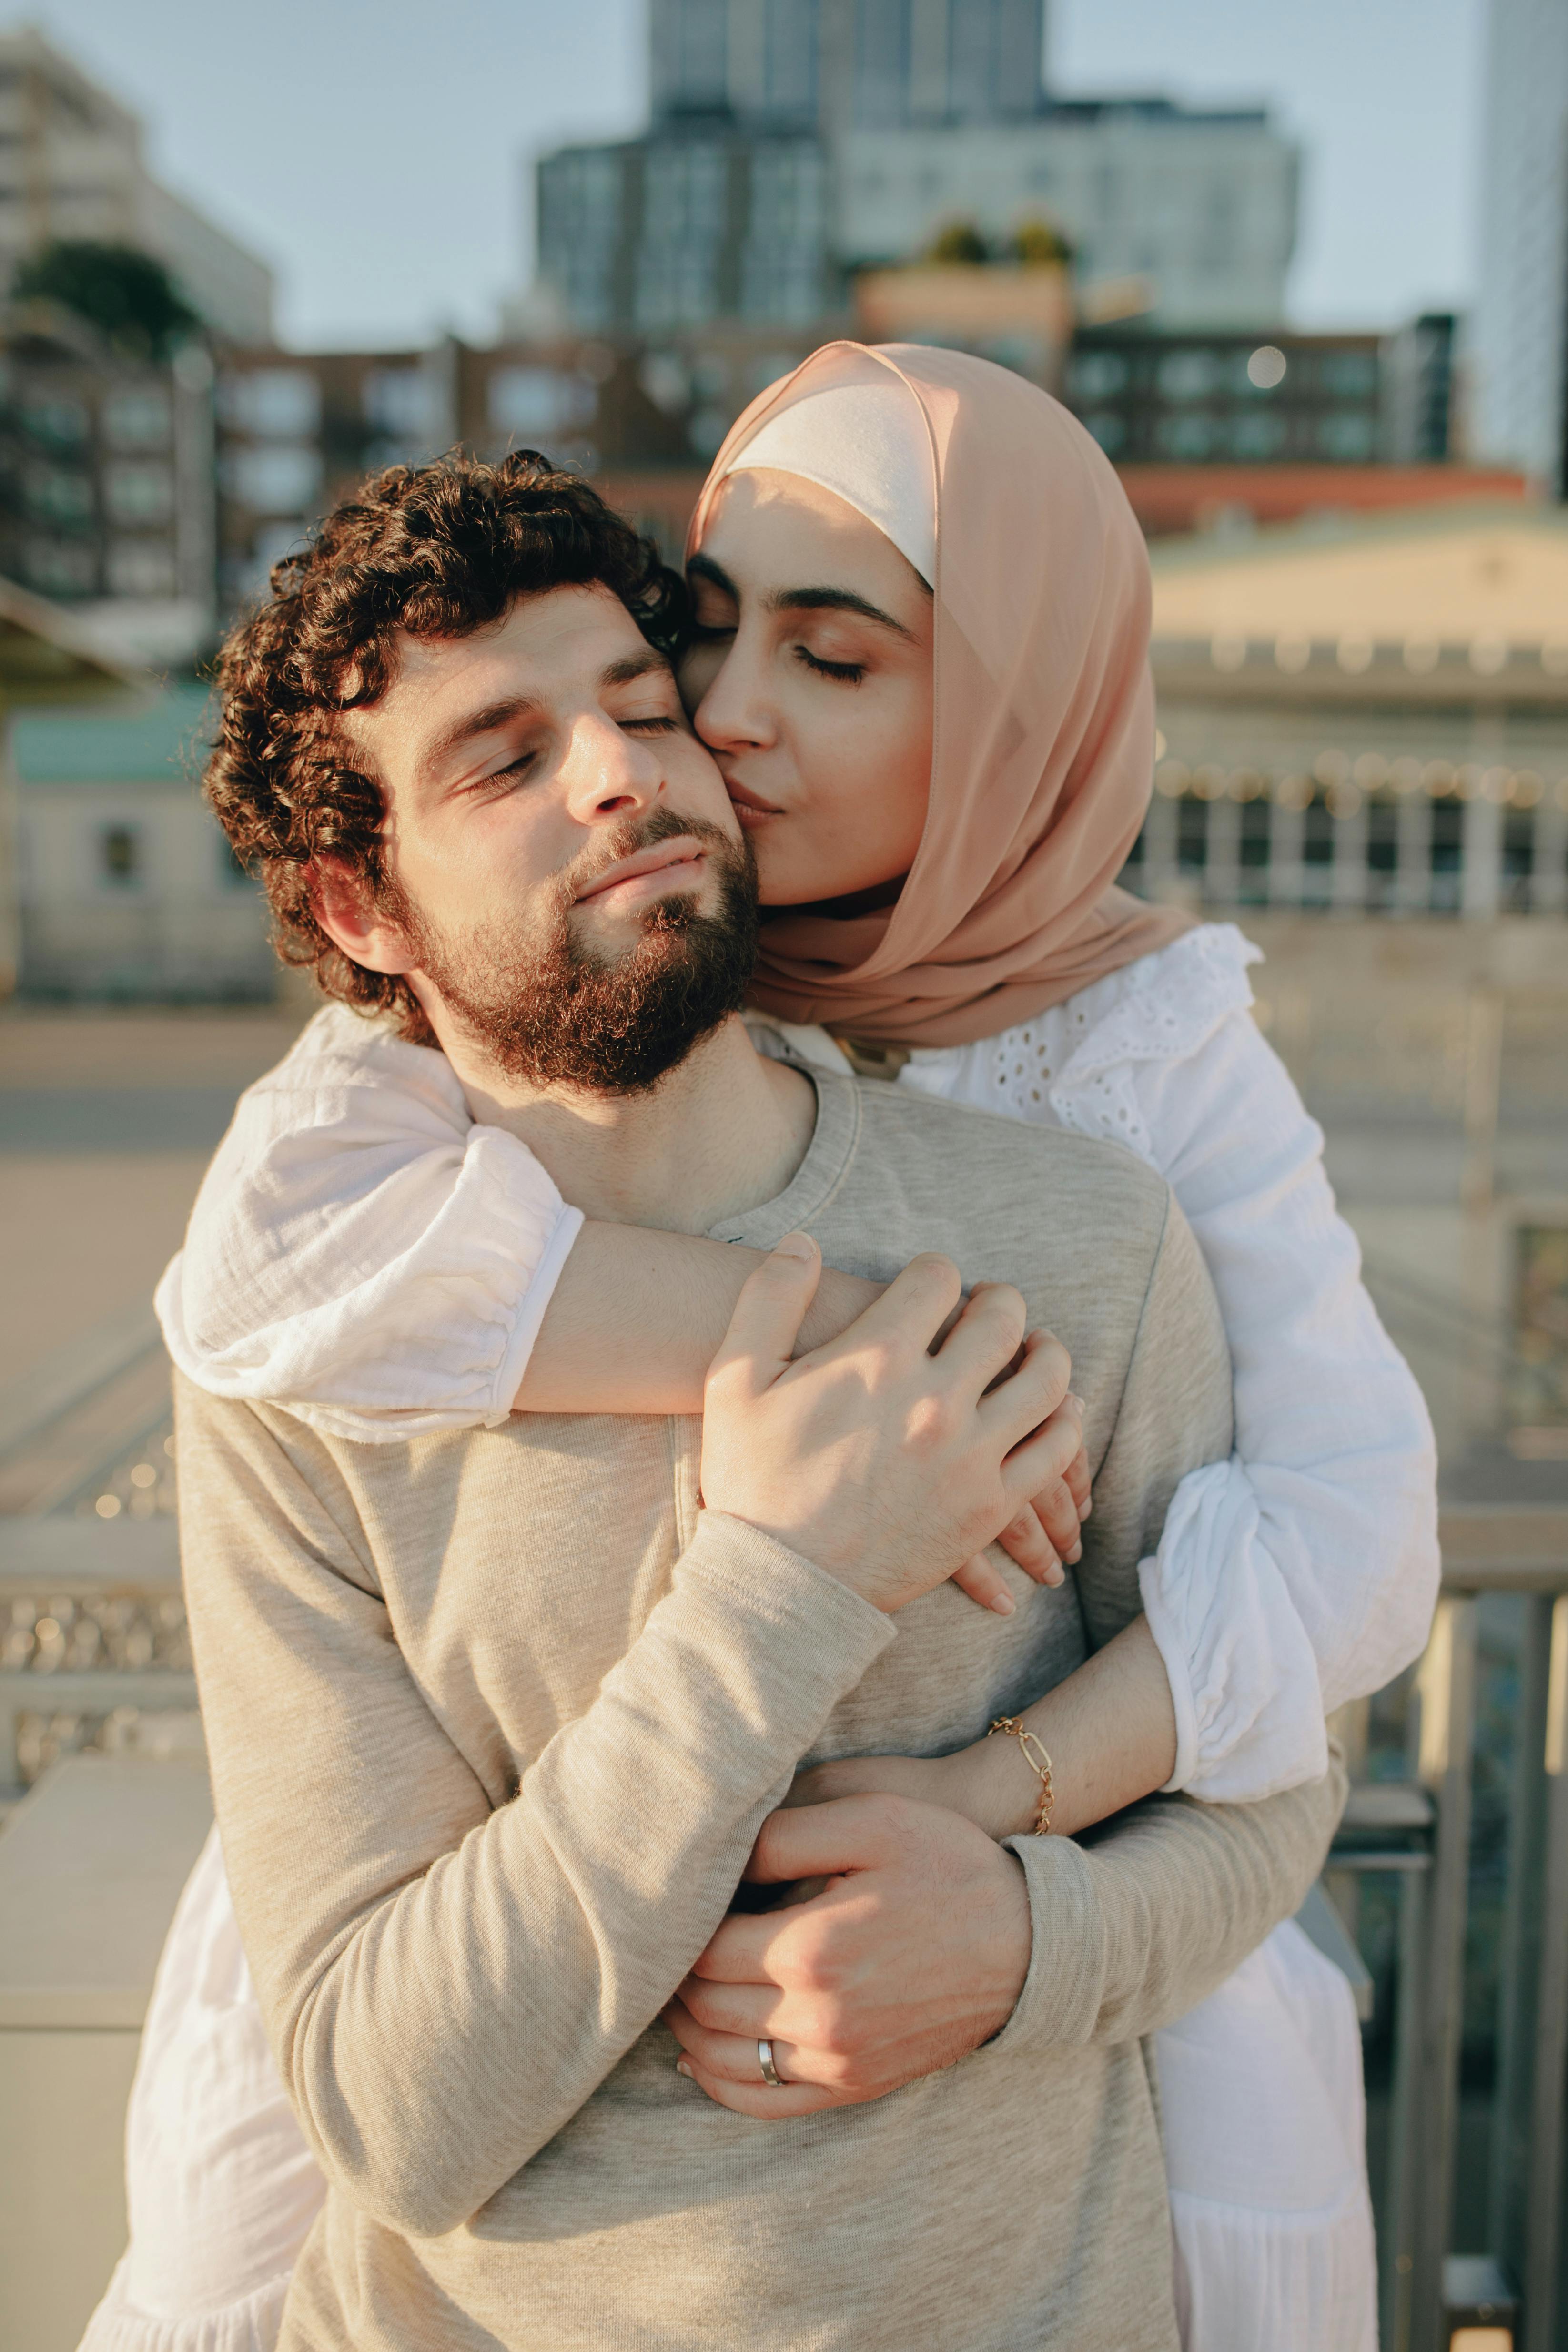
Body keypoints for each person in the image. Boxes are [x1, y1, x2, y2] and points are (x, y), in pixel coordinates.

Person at [91, 348, 1435, 2351]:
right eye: (505, 757)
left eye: (651, 698)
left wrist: (1017, 1905)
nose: (674, 746)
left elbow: (1292, 1695)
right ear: (353, 906)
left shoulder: (1103, 1178)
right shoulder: (337, 1291)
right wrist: (794, 1527)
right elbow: (391, 2098)